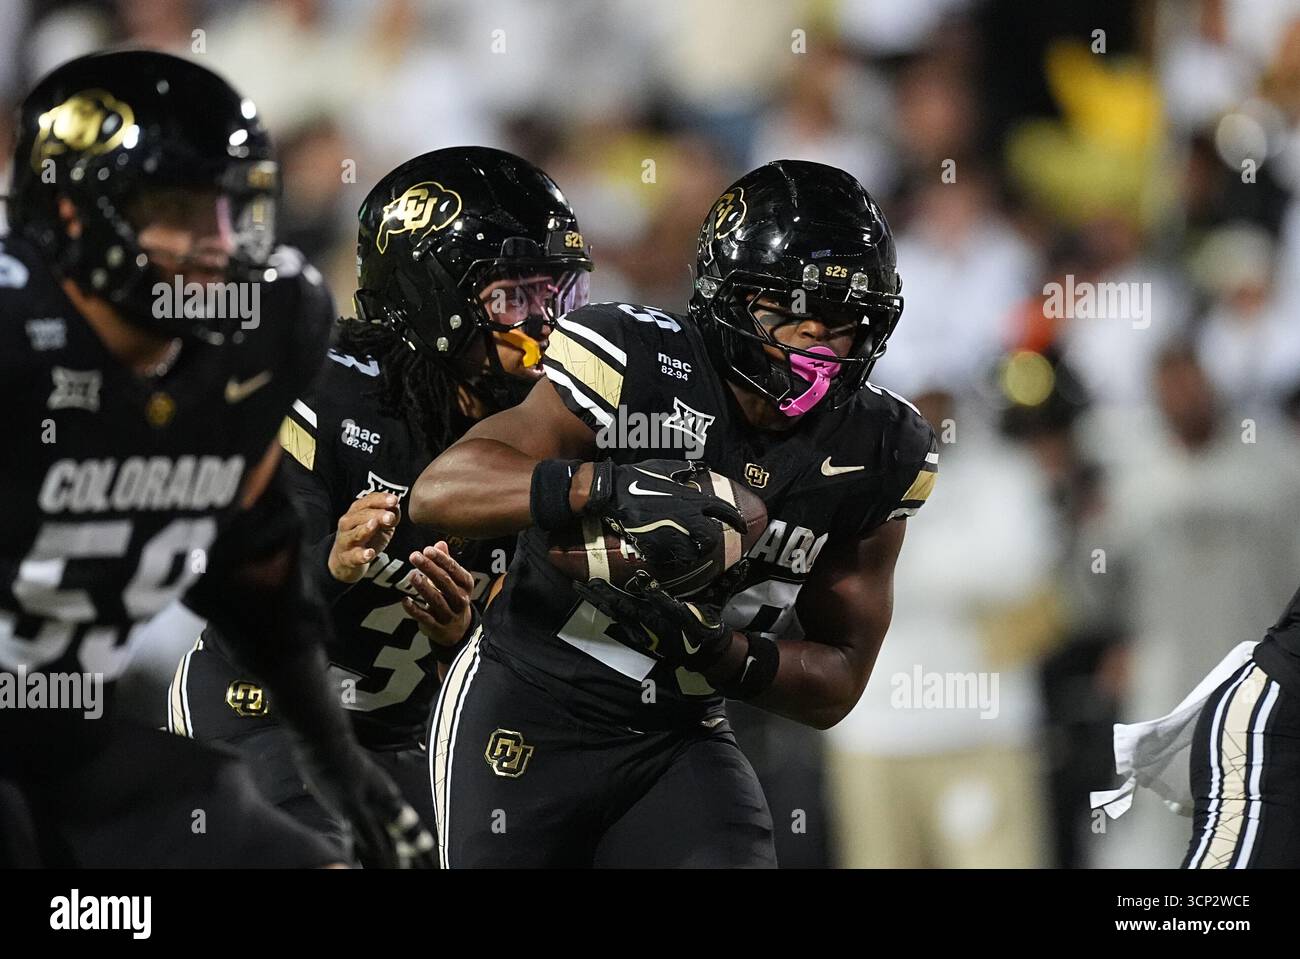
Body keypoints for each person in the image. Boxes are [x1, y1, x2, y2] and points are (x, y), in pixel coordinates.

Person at [412, 159, 939, 867]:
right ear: (729, 295)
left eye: (841, 319)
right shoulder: (643, 360)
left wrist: (719, 651)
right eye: (787, 308)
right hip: (526, 706)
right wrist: (607, 487)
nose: (815, 336)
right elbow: (440, 490)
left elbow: (839, 678)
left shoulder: (880, 447)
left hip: (677, 733)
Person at [0, 50, 429, 868]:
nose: (217, 244)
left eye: (229, 208)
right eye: (179, 209)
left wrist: (346, 773)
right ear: (70, 214)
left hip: (67, 747)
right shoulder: (14, 333)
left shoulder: (253, 337)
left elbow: (257, 579)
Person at [169, 147, 593, 854]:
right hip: (267, 708)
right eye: (515, 297)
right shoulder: (321, 389)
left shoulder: (561, 428)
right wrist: (329, 567)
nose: (545, 326)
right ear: (433, 298)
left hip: (419, 734)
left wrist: (464, 637)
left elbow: (553, 673)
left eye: (556, 295)